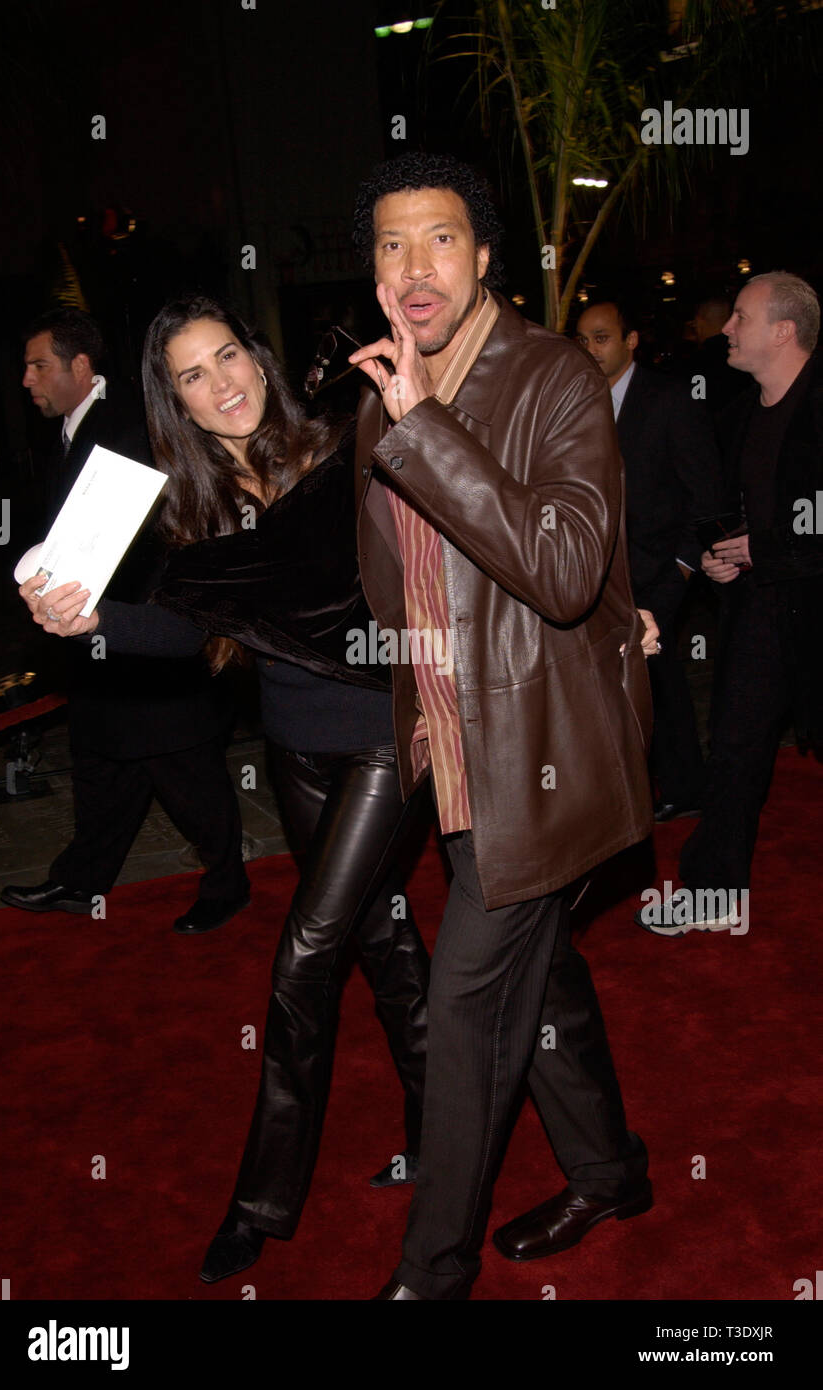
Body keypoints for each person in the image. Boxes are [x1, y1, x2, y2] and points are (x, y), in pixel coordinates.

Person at [20, 295, 431, 1280]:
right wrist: (90, 625)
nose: (222, 382)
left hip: (384, 733)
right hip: (293, 748)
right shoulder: (188, 507)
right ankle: (437, 1126)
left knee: (304, 956)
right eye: (193, 375)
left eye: (228, 355)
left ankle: (259, 1201)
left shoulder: (343, 441)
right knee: (382, 940)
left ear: (258, 355)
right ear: (176, 402)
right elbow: (175, 628)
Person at [347, 152, 655, 1300]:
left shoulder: (554, 377)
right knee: (543, 981)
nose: (412, 267)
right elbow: (375, 581)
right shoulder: (381, 390)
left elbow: (567, 570)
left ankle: (430, 1273)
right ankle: (608, 1169)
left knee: (464, 1013)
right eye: (389, 244)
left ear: (482, 257)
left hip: (540, 760)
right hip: (454, 754)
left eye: (436, 239)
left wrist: (424, 427)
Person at [4, 308, 249, 935]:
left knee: (184, 771)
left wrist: (104, 611)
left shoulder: (129, 425)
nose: (27, 379)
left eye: (39, 365)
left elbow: (157, 532)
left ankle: (229, 882)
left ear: (81, 367)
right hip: (99, 638)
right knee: (104, 762)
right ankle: (81, 879)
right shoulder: (70, 430)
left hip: (149, 633)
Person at [637, 270, 823, 936]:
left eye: (740, 317)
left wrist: (759, 549)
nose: (724, 329)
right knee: (735, 753)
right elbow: (736, 514)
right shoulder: (741, 413)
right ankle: (713, 894)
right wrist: (724, 554)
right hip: (759, 615)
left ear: (783, 329)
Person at [576, 299, 718, 820]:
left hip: (660, 570)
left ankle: (683, 786)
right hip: (599, 572)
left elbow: (704, 488)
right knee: (623, 682)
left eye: (602, 338)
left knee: (659, 676)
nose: (590, 349)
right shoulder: (577, 402)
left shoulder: (669, 398)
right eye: (584, 339)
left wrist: (685, 564)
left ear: (630, 340)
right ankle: (640, 786)